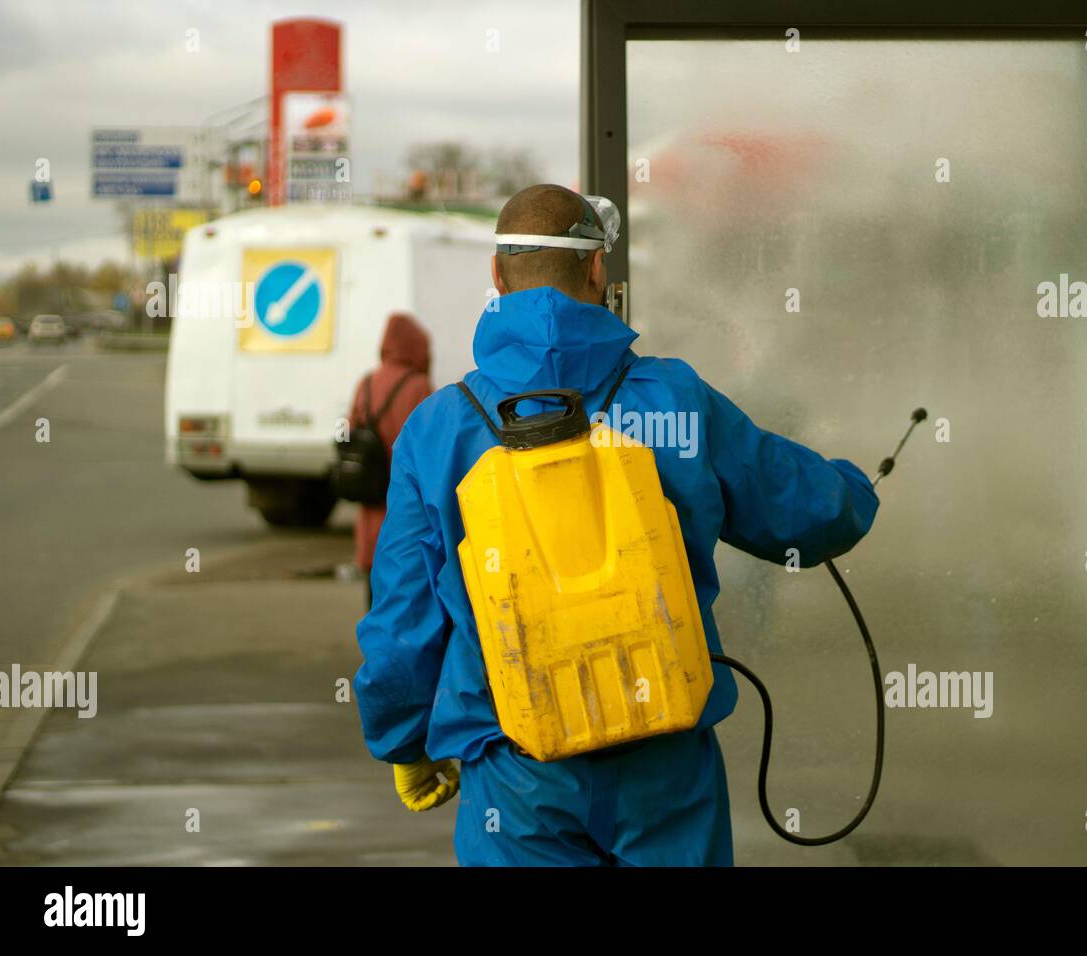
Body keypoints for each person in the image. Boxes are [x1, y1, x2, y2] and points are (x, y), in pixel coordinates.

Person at [354, 184, 879, 866]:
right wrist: (858, 488)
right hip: (662, 761)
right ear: (598, 270)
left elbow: (402, 619)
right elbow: (803, 510)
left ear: (497, 278)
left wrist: (403, 741)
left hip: (515, 773)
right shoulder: (674, 399)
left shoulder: (438, 429)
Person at [347, 312, 433, 608]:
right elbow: (429, 450)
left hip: (370, 506)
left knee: (374, 602)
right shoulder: (419, 386)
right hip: (405, 512)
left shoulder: (366, 383)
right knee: (405, 603)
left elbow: (351, 430)